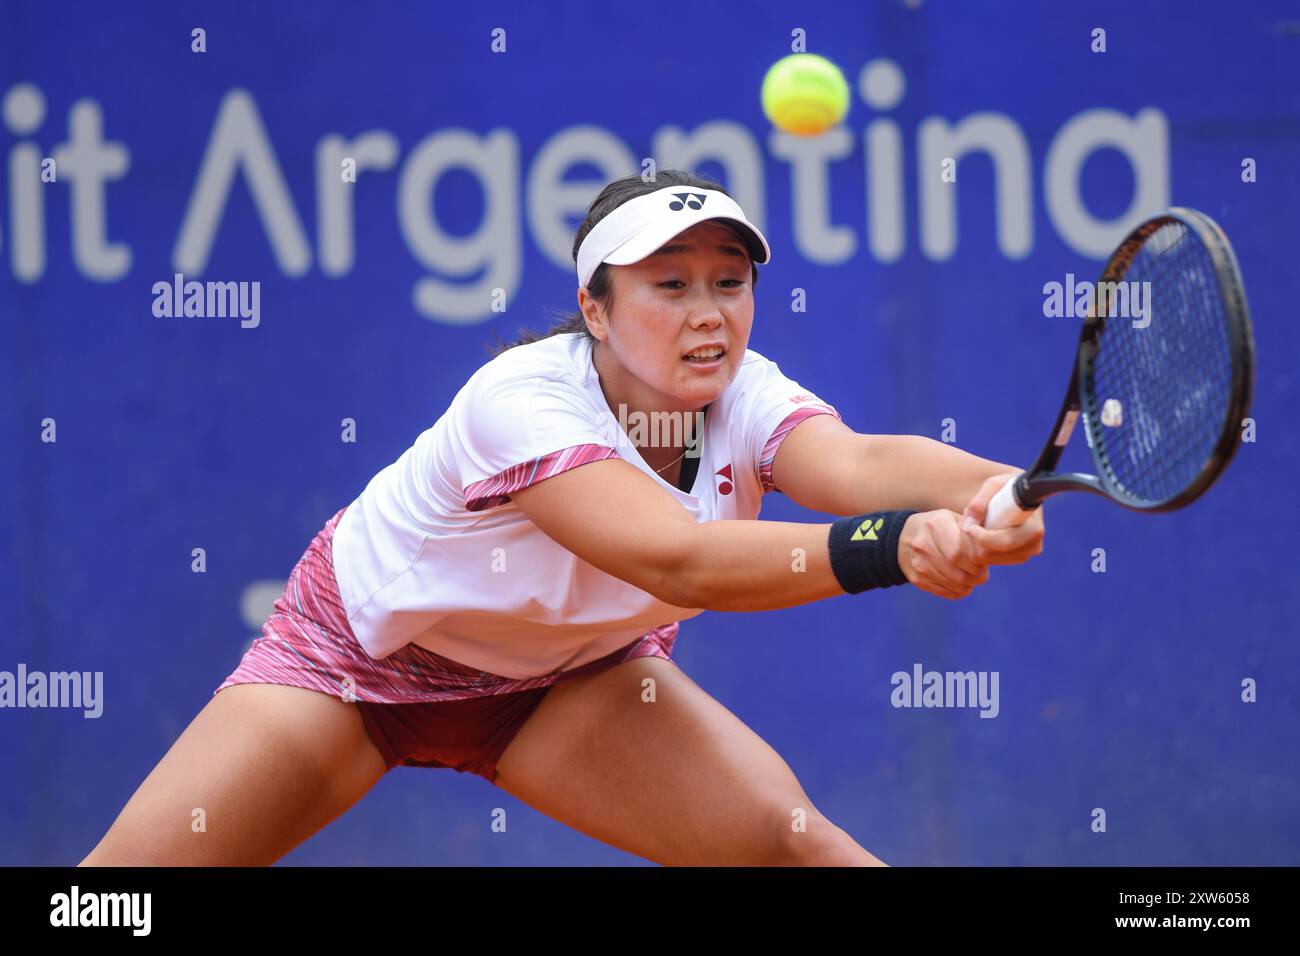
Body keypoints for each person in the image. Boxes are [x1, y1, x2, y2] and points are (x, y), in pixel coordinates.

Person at [79, 169, 1044, 868]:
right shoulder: (521, 401)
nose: (708, 312)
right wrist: (894, 546)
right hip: (356, 675)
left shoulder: (743, 393)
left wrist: (995, 489)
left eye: (729, 282)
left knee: (794, 850)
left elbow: (863, 461)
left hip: (567, 686)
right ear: (595, 307)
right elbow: (679, 562)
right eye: (669, 285)